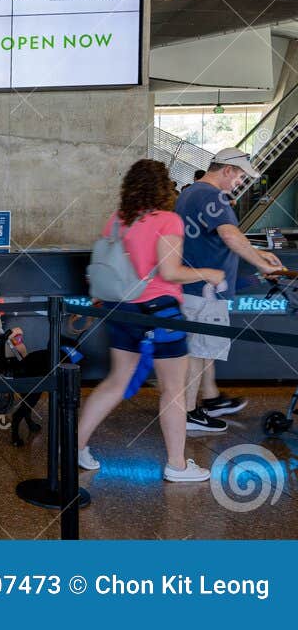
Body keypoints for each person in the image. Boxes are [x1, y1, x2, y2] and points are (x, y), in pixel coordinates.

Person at [75, 159, 221, 482]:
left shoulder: (117, 220)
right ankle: (177, 465)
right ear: (163, 187)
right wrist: (208, 273)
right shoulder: (168, 220)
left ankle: (76, 446)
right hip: (159, 311)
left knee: (116, 381)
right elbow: (170, 272)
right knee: (173, 390)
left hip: (121, 309)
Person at [174, 149, 283, 433]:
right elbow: (229, 234)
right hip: (205, 291)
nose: (240, 183)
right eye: (240, 177)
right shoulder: (212, 196)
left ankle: (205, 403)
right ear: (227, 170)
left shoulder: (192, 193)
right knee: (197, 352)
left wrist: (258, 252)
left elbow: (222, 237)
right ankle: (188, 415)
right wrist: (261, 263)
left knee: (200, 350)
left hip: (195, 289)